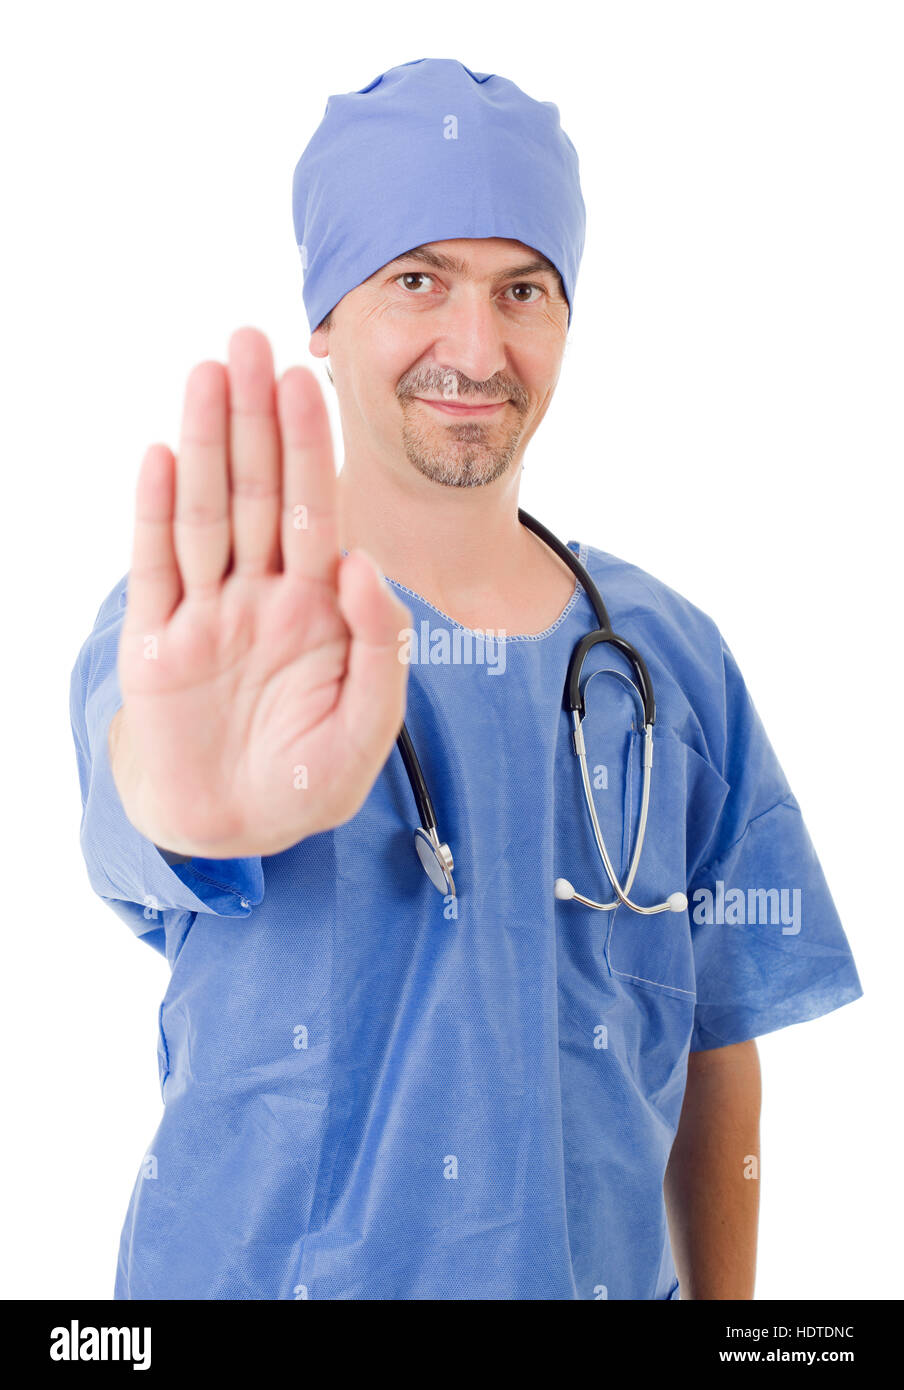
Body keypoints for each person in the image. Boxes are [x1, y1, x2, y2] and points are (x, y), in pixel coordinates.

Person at [69, 57, 863, 1301]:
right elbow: (137, 803)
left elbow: (717, 1036)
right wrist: (182, 800)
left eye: (522, 289)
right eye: (417, 280)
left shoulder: (672, 662)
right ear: (326, 317)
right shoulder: (210, 622)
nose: (475, 345)